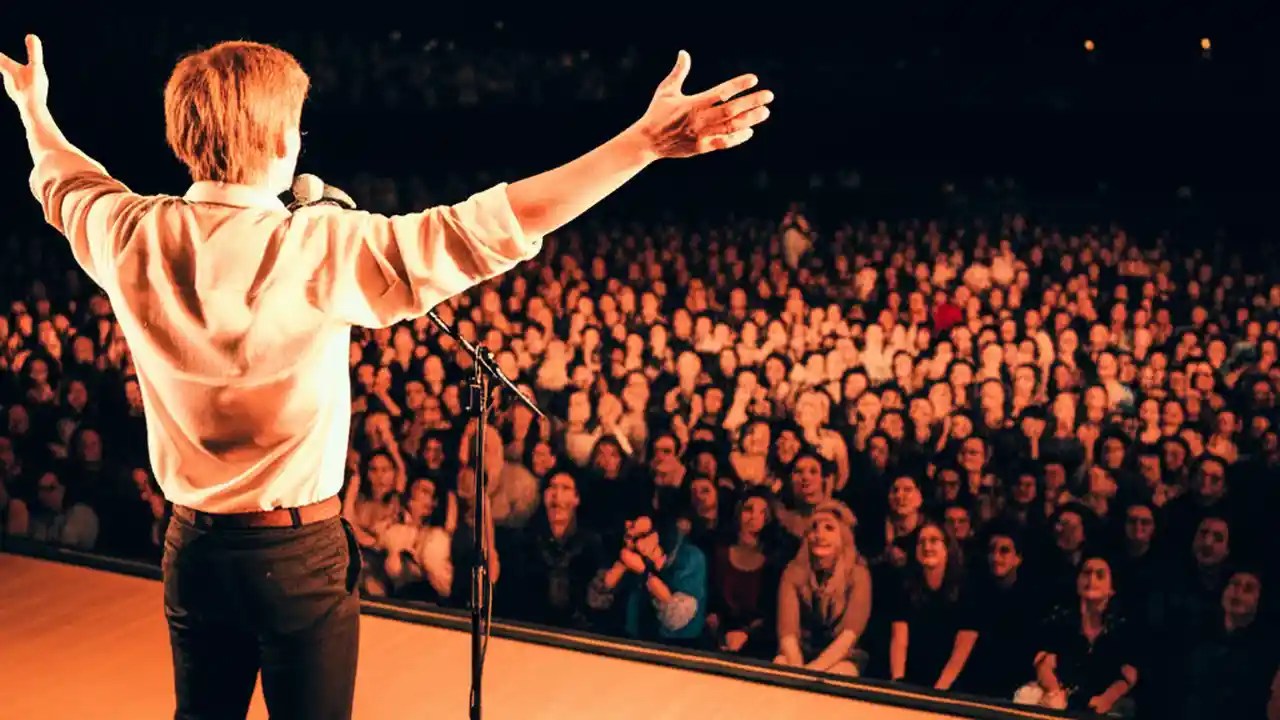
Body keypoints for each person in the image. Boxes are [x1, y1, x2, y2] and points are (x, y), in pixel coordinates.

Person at [0, 34, 773, 720]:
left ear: (183, 137)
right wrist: (640, 144)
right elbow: (497, 222)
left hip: (190, 549)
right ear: (279, 140)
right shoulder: (320, 247)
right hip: (298, 555)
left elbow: (64, 179)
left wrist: (34, 110)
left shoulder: (129, 232)